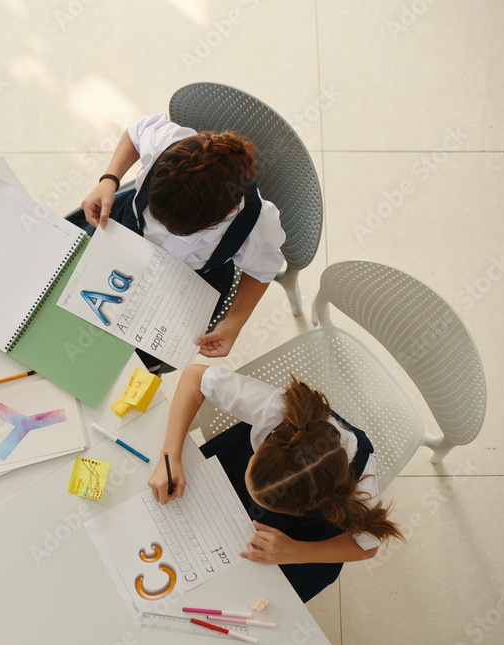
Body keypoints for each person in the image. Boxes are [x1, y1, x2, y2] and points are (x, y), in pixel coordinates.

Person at [148, 365, 403, 602]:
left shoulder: (361, 486)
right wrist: (168, 457)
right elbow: (195, 377)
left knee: (237, 597)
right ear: (266, 446)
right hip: (228, 472)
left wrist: (295, 552)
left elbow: (367, 547)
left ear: (307, 507)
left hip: (292, 538)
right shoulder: (276, 410)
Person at [72, 114, 286, 360]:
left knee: (121, 358)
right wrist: (109, 179)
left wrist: (235, 322)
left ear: (227, 213)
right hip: (124, 231)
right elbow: (134, 132)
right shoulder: (167, 141)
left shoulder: (257, 222)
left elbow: (262, 271)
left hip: (187, 282)